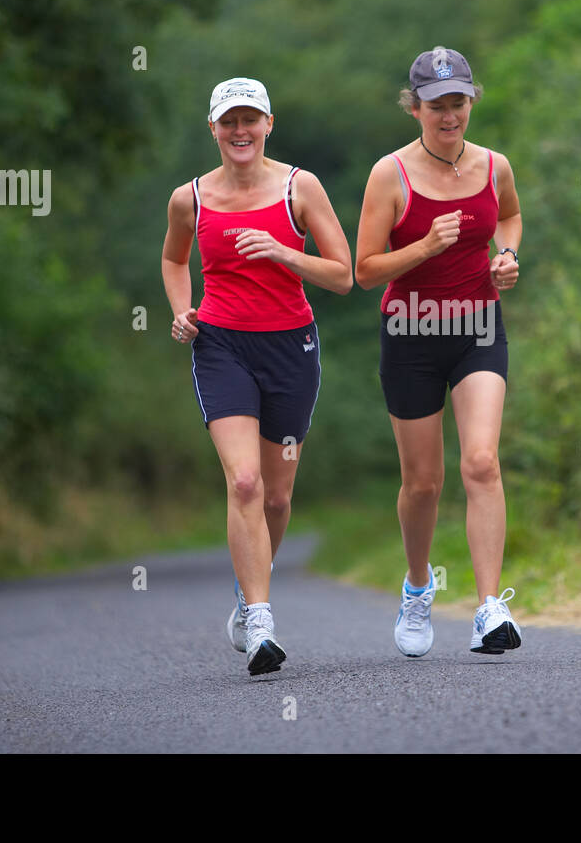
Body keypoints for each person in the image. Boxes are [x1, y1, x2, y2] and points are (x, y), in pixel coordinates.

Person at [161, 77, 352, 675]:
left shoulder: (301, 188)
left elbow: (344, 274)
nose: (240, 131)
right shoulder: (188, 198)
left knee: (275, 494)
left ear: (270, 123)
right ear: (213, 129)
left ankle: (248, 591)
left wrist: (282, 251)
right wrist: (180, 310)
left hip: (291, 347)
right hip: (221, 347)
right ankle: (261, 618)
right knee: (242, 482)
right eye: (229, 121)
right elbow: (173, 258)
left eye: (251, 119)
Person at [354, 47, 524, 657]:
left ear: (471, 101)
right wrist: (425, 246)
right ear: (415, 107)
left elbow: (509, 217)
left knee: (481, 463)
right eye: (436, 106)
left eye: (459, 103)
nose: (449, 116)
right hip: (410, 335)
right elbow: (366, 270)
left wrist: (506, 257)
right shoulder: (389, 175)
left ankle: (487, 608)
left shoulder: (494, 165)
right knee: (423, 484)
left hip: (478, 327)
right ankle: (419, 586)